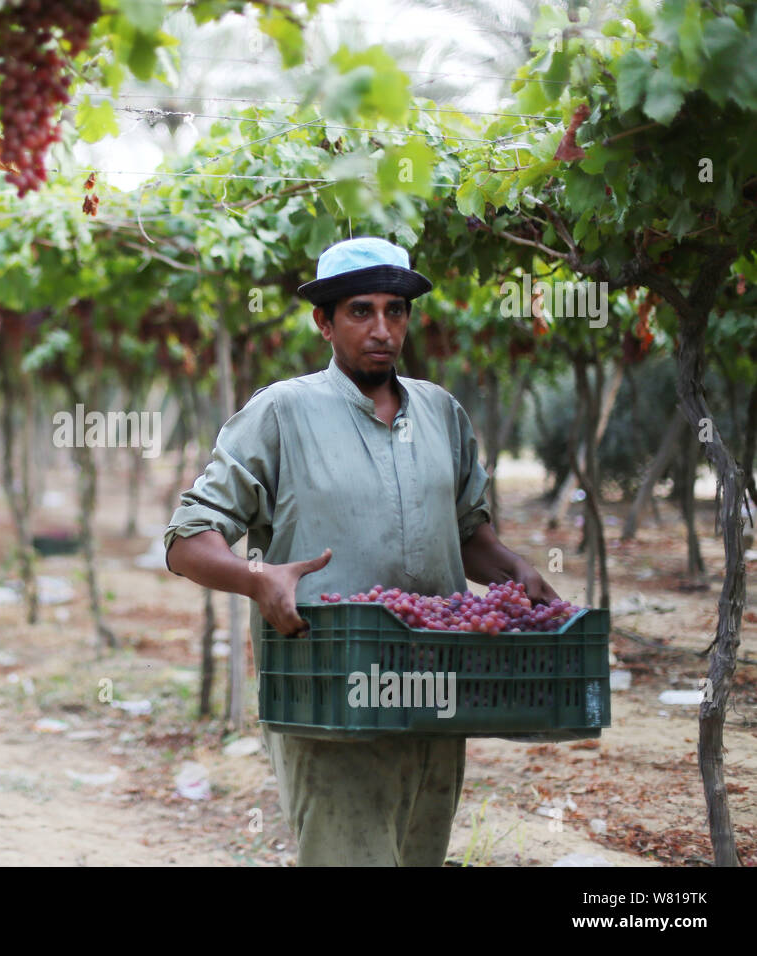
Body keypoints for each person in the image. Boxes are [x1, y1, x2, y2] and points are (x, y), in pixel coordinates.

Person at [163, 236, 560, 865]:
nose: (382, 328)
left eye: (395, 310)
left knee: (417, 854)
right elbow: (188, 541)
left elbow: (467, 535)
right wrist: (256, 578)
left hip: (434, 687)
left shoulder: (442, 414)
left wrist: (513, 570)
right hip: (328, 692)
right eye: (360, 311)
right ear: (324, 322)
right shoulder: (281, 413)